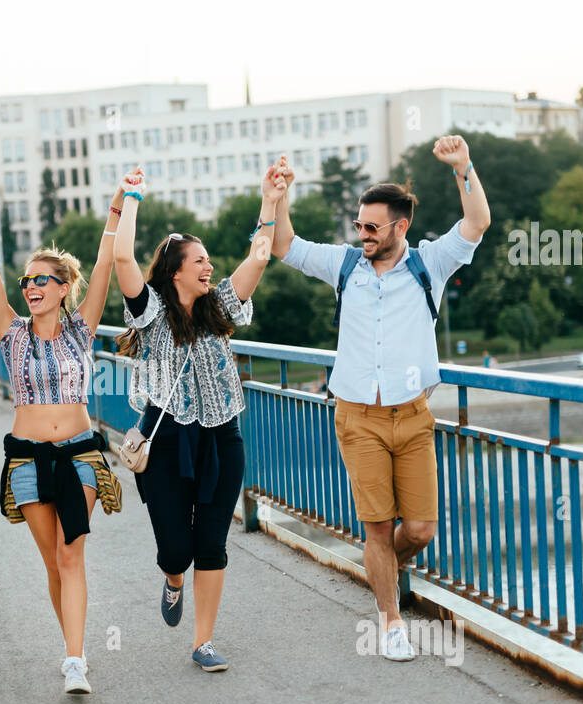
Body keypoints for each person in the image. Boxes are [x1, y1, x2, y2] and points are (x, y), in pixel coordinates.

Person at [271, 136, 491, 662]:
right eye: (359, 225)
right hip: (357, 417)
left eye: (372, 227)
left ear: (400, 228)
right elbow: (285, 247)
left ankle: (380, 568)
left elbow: (478, 223)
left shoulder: (429, 265)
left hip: (412, 416)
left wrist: (463, 168)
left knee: (419, 529)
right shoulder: (345, 265)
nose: (362, 234)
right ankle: (390, 620)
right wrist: (278, 197)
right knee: (376, 525)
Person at [113, 168, 284, 672]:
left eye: (210, 259)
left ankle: (202, 641)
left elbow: (258, 256)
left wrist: (269, 202)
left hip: (223, 438)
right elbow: (124, 257)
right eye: (200, 261)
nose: (209, 267)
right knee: (176, 548)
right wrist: (132, 196)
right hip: (169, 442)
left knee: (212, 541)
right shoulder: (150, 315)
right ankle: (172, 578)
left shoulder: (219, 307)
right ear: (175, 272)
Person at [0, 168, 123, 694]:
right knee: (53, 562)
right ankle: (71, 646)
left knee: (70, 551)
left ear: (63, 289)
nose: (30, 287)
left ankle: (75, 661)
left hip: (79, 455)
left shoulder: (82, 329)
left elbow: (105, 264)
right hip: (29, 460)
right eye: (27, 281)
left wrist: (120, 206)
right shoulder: (10, 335)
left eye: (41, 281)